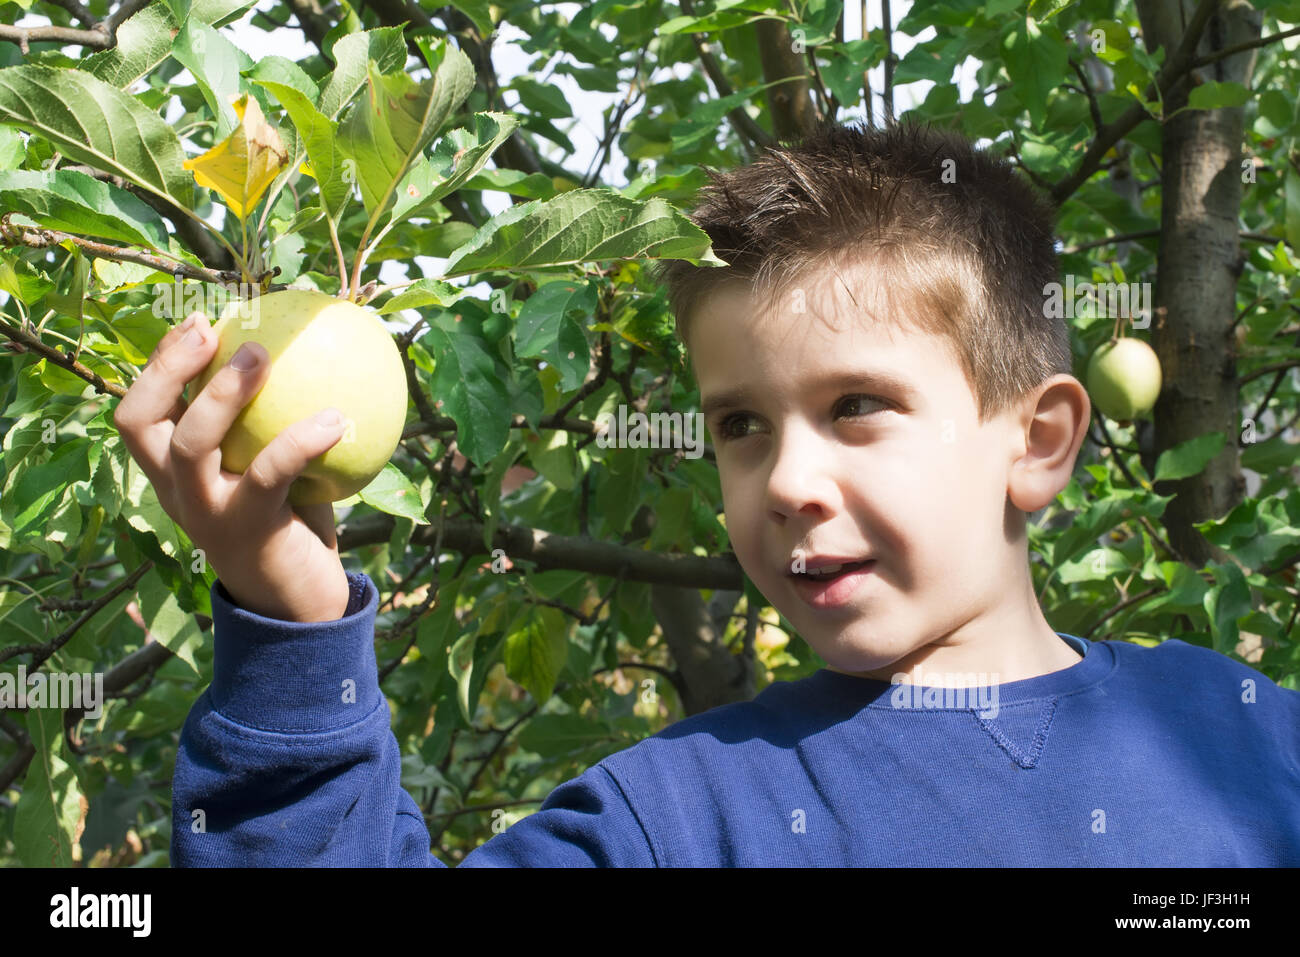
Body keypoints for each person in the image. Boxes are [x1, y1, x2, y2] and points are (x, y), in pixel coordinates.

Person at [113, 120, 1300, 866]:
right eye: (739, 424)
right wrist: (293, 629)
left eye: (856, 409)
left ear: (1036, 443)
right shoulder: (669, 822)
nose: (785, 481)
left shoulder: (1247, 740)